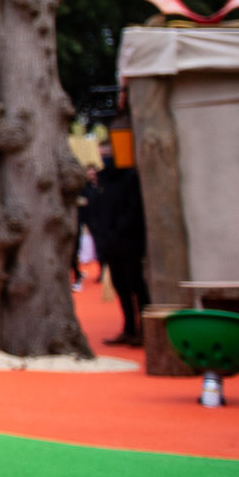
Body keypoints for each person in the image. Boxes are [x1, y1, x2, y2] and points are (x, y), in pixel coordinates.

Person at [81, 140, 150, 346]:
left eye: (108, 152)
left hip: (129, 241)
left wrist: (119, 229)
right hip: (108, 242)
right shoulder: (102, 180)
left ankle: (145, 329)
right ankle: (129, 328)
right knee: (121, 286)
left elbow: (134, 208)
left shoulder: (129, 176)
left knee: (136, 285)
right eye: (102, 153)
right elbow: (96, 209)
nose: (105, 156)